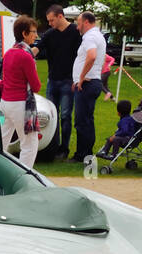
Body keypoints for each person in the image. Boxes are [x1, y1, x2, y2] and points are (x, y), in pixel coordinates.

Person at [35, 4, 80, 159]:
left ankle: (64, 148)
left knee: (66, 116)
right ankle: (51, 146)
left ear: (60, 16)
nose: (50, 23)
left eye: (52, 20)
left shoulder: (76, 32)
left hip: (69, 81)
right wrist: (21, 54)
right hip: (52, 80)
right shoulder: (49, 34)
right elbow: (37, 49)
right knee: (50, 116)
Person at [0, 15, 41, 169]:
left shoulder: (9, 53)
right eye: (33, 32)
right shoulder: (26, 56)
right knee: (29, 144)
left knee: (1, 143)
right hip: (20, 105)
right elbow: (36, 86)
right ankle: (24, 178)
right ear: (24, 34)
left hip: (4, 104)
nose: (36, 35)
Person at [69, 10, 104, 161]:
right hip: (91, 82)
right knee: (87, 119)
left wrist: (81, 78)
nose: (77, 27)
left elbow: (91, 56)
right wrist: (77, 79)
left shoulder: (89, 37)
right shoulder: (98, 36)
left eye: (78, 23)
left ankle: (82, 154)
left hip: (87, 84)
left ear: (86, 22)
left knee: (82, 121)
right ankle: (87, 153)